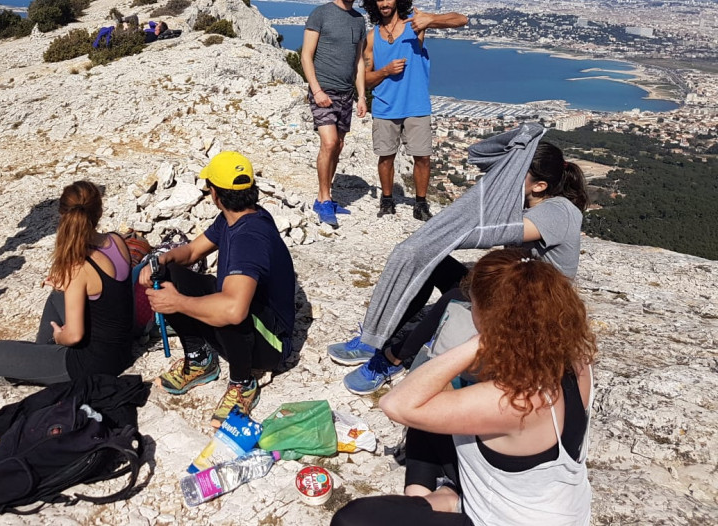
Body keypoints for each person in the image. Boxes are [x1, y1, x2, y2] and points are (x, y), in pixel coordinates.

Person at [332, 249, 597, 526]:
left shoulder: (515, 400)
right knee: (436, 399)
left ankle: (442, 499)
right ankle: (439, 496)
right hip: (554, 506)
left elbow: (397, 404)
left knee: (352, 520)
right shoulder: (575, 359)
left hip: (503, 520)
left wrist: (480, 341)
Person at [333, 135, 590, 396]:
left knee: (460, 295)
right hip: (517, 289)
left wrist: (441, 233)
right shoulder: (527, 203)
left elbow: (496, 233)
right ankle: (376, 338)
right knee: (432, 263)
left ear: (540, 186)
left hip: (538, 308)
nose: (507, 177)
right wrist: (520, 141)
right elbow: (479, 153)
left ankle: (391, 360)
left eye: (516, 172)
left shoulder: (558, 211)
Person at [141, 151, 297, 428]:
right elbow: (191, 252)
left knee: (226, 307)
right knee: (169, 275)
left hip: (271, 342)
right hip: (252, 314)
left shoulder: (248, 238)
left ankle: (242, 382)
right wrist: (161, 260)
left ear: (215, 193)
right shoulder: (234, 218)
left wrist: (177, 303)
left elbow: (233, 310)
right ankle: (200, 360)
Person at [0, 181, 134, 386]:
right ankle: (42, 356)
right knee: (57, 295)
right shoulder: (117, 240)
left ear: (62, 215)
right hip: (122, 350)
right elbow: (109, 296)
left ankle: (43, 363)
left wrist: (60, 337)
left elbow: (74, 336)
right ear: (100, 210)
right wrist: (67, 287)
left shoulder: (78, 267)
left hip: (92, 365)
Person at [362, 0, 467, 221]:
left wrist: (431, 19)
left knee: (422, 157)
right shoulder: (371, 37)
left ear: (398, 0)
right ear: (374, 4)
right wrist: (386, 71)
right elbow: (365, 79)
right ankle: (387, 200)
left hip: (415, 105)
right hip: (385, 106)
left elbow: (461, 19)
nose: (385, 3)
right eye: (380, 0)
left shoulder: (415, 26)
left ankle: (420, 203)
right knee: (385, 157)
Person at [300, 0, 369, 227]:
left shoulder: (359, 21)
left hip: (345, 94)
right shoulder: (320, 14)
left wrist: (361, 96)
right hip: (323, 90)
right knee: (328, 143)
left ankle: (325, 196)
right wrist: (316, 90)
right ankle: (324, 198)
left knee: (338, 146)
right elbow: (306, 55)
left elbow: (359, 61)